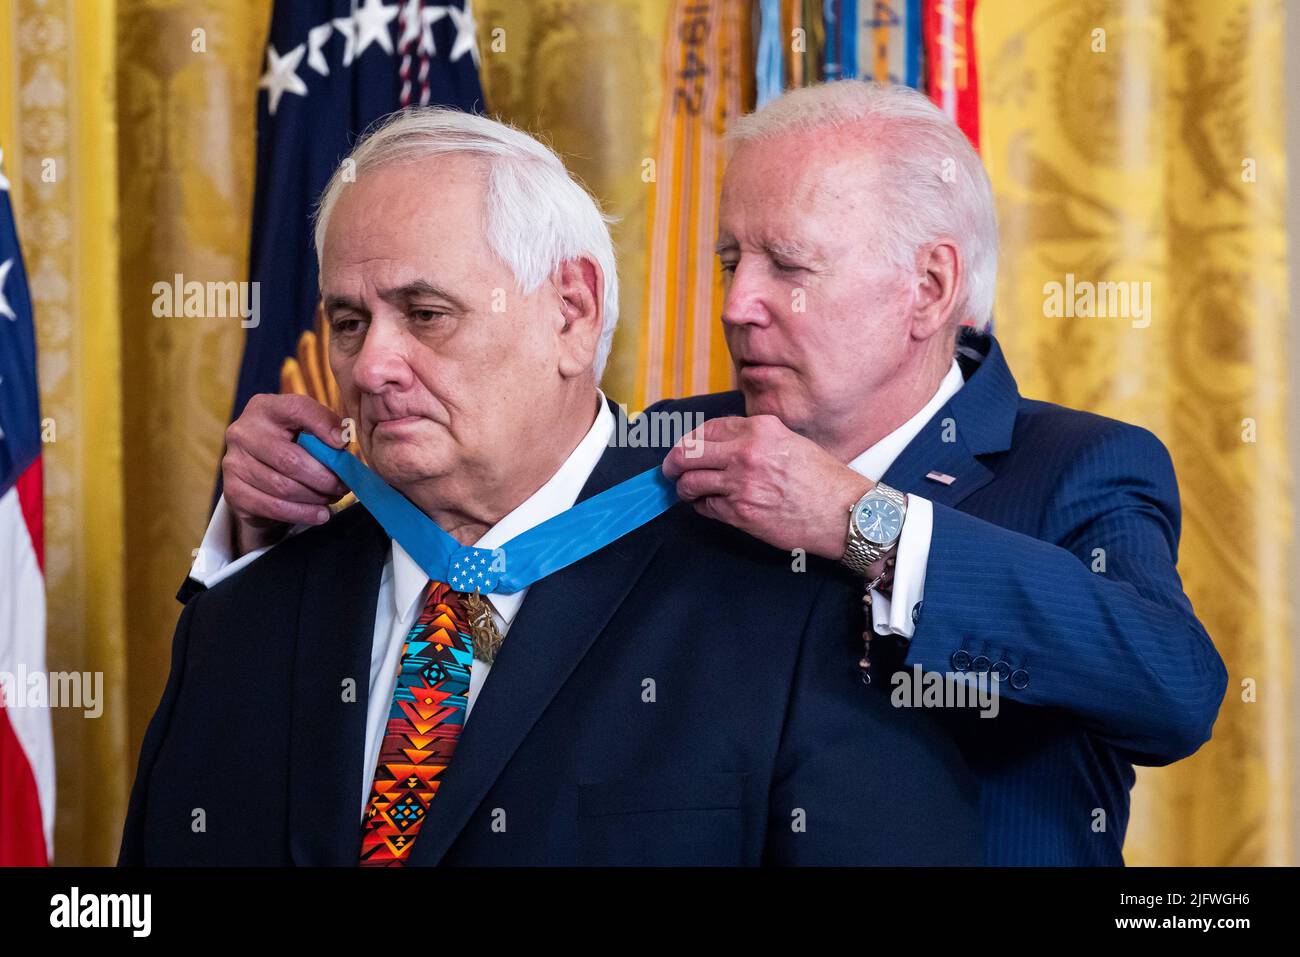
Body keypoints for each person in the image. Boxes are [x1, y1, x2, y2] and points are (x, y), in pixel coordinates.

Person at [204, 84, 1228, 866]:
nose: (736, 304)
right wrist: (269, 507)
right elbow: (478, 552)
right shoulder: (665, 443)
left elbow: (1174, 689)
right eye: (730, 258)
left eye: (786, 265)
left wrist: (860, 522)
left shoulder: (1076, 469)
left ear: (928, 287)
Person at [119, 106, 980, 867]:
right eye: (350, 321)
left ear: (571, 311)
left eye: (425, 314)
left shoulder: (792, 600)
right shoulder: (241, 612)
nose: (372, 365)